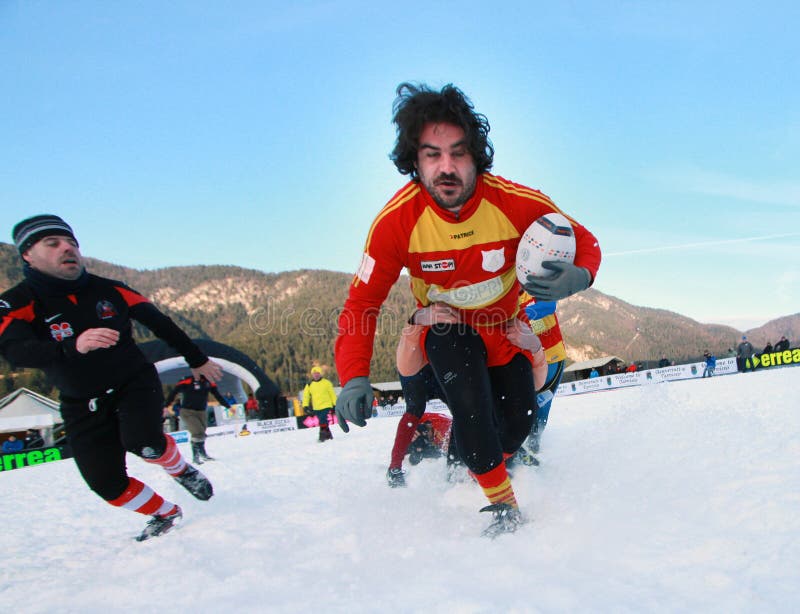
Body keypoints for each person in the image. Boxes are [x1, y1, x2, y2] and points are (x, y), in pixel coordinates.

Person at [334, 83, 601, 537]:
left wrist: (580, 275)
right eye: (432, 155)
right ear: (414, 163)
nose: (447, 167)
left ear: (476, 156)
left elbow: (583, 240)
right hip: (444, 331)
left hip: (502, 331)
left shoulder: (517, 203)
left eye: (458, 153)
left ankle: (459, 470)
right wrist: (353, 376)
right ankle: (504, 509)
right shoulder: (396, 222)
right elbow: (362, 302)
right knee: (473, 407)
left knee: (517, 422)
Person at [0, 215, 220, 541]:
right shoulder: (17, 303)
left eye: (72, 243)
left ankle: (180, 469)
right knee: (106, 485)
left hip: (133, 382)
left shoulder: (109, 290)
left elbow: (161, 323)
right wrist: (71, 346)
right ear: (28, 256)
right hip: (79, 400)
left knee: (144, 444)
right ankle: (165, 512)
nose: (68, 249)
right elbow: (15, 350)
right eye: (53, 243)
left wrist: (197, 359)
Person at [165, 374, 231, 464]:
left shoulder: (209, 382)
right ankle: (195, 457)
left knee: (201, 433)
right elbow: (174, 393)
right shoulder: (187, 380)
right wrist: (165, 405)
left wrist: (228, 406)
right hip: (188, 411)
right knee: (197, 432)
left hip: (201, 412)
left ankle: (203, 454)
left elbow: (217, 395)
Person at [301, 366, 337, 442]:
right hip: (317, 407)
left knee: (322, 420)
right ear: (312, 375)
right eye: (314, 374)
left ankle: (322, 436)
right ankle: (328, 435)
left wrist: (335, 404)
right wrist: (305, 406)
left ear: (320, 374)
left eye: (317, 373)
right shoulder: (309, 384)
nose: (316, 375)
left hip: (326, 405)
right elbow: (306, 396)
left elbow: (332, 394)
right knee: (322, 421)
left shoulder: (326, 383)